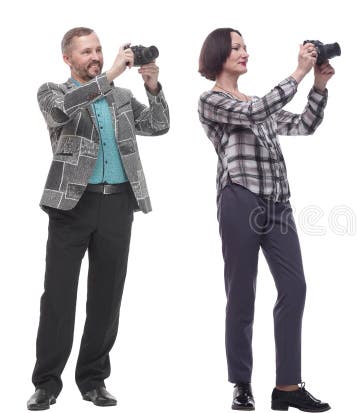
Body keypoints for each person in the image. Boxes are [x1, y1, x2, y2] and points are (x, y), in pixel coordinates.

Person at [27, 27, 170, 410]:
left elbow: (158, 126)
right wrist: (108, 77)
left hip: (117, 204)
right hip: (72, 206)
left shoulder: (121, 97)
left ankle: (92, 379)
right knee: (58, 297)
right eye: (86, 52)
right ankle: (46, 383)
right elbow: (61, 112)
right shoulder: (52, 92)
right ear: (68, 59)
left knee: (106, 299)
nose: (95, 56)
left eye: (98, 50)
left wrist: (153, 88)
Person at [197, 28, 333, 412]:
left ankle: (287, 386)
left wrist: (319, 85)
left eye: (244, 47)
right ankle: (242, 384)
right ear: (218, 54)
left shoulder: (260, 101)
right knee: (241, 293)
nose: (244, 53)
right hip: (240, 198)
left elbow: (304, 124)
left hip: (278, 205)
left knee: (295, 288)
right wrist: (298, 71)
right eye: (236, 47)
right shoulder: (212, 100)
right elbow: (255, 113)